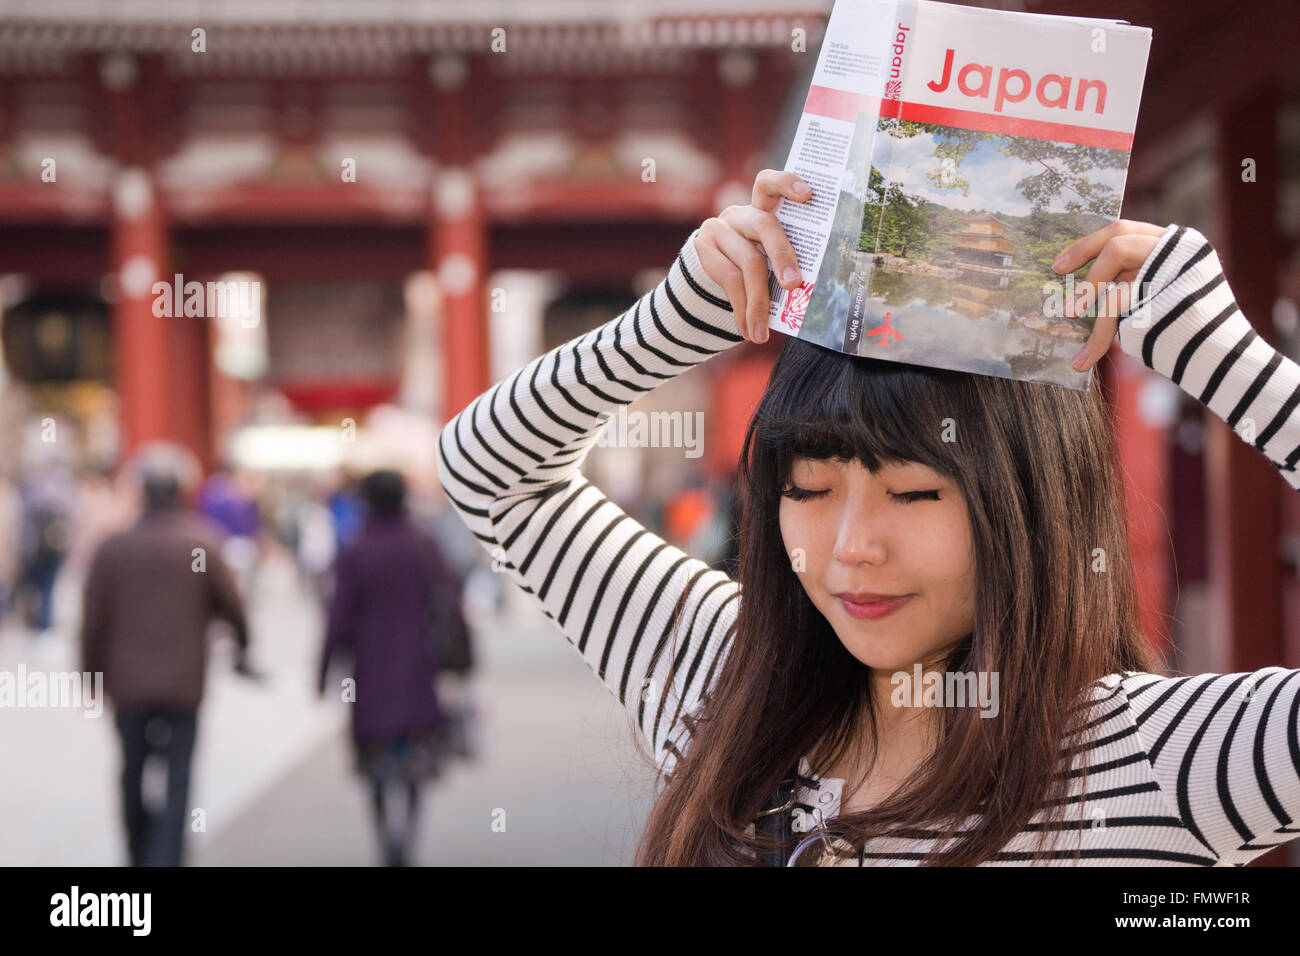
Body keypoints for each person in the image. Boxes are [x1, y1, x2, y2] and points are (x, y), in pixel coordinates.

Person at [437, 167, 1300, 867]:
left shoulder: (1162, 759)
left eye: (915, 493)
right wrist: (673, 323)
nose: (849, 550)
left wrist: (1223, 357)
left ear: (1032, 507)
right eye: (807, 488)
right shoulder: (720, 676)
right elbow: (487, 470)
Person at [80, 449, 254, 866]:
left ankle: (138, 851)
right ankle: (168, 856)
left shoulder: (114, 548)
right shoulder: (200, 542)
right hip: (182, 680)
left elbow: (93, 621)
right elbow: (232, 606)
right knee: (178, 776)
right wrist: (244, 646)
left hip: (128, 683)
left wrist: (91, 676)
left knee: (131, 771)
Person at [317, 469, 469, 866]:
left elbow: (338, 617)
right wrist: (465, 657)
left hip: (369, 674)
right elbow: (452, 603)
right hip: (419, 669)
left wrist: (322, 670)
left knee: (375, 765)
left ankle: (386, 839)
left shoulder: (355, 550)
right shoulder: (423, 544)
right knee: (416, 764)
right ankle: (409, 838)